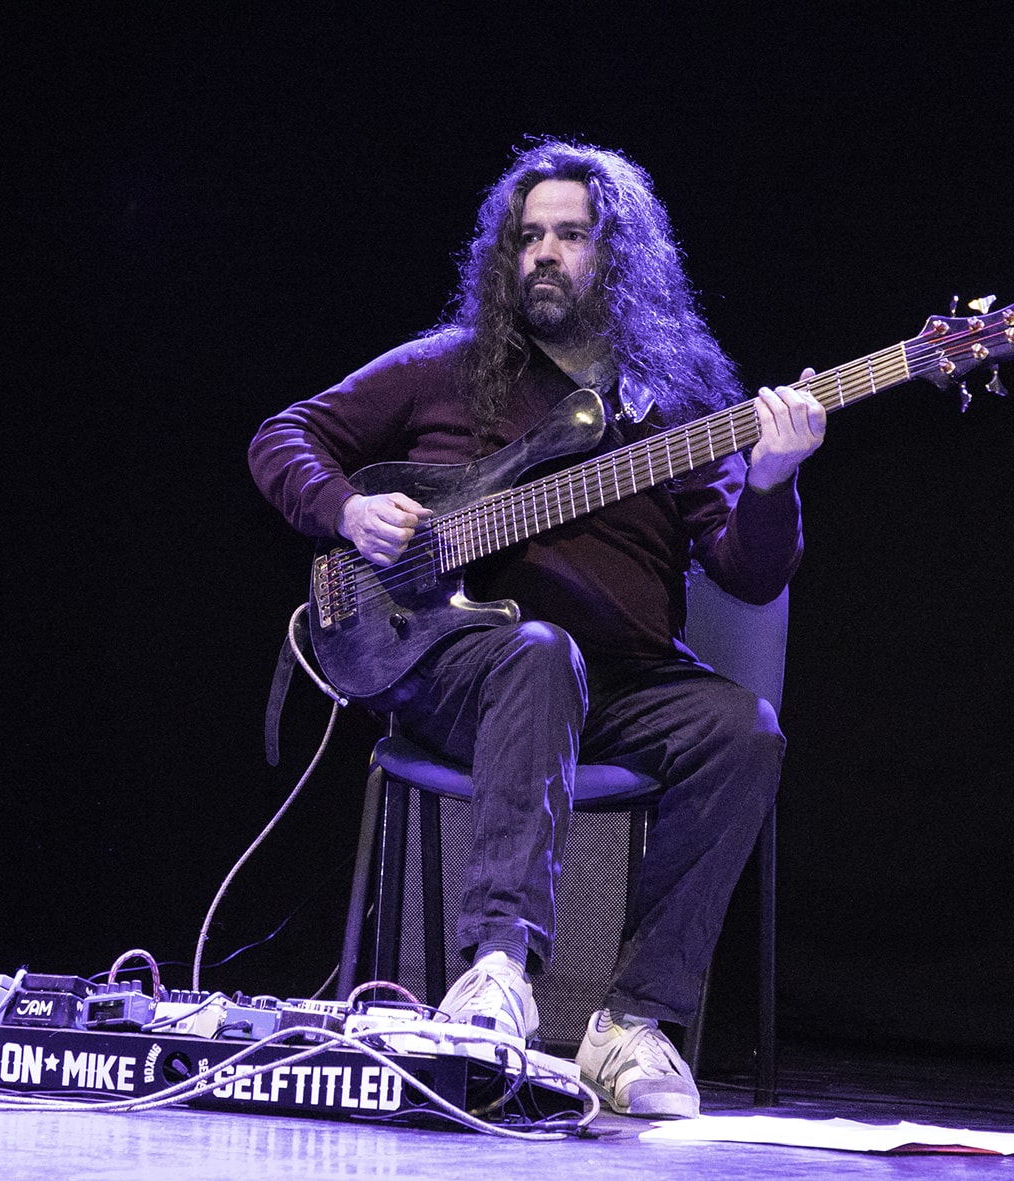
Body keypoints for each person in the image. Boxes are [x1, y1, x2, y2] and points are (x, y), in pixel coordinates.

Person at [248, 140, 825, 1118]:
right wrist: (349, 511)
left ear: (618, 256)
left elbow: (747, 568)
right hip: (453, 673)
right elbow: (282, 435)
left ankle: (634, 1021)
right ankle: (499, 971)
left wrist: (772, 478)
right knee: (535, 651)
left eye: (570, 235)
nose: (544, 254)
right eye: (528, 237)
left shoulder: (675, 400)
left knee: (743, 729)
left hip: (625, 683)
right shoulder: (446, 367)